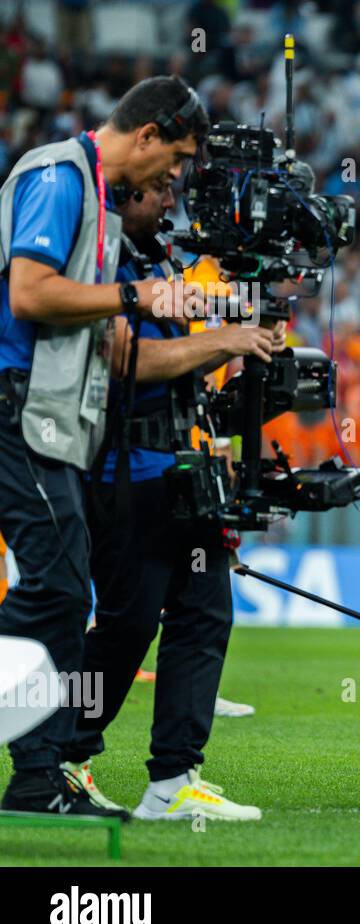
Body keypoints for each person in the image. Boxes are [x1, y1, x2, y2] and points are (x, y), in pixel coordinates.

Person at [0, 75, 208, 818]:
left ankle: (34, 780)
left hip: (48, 410)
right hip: (15, 399)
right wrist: (136, 296)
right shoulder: (60, 176)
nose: (176, 176)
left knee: (61, 591)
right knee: (57, 585)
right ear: (147, 134)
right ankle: (37, 771)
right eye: (176, 157)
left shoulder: (91, 192)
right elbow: (30, 292)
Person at [57, 182, 277, 821]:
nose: (169, 201)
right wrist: (225, 341)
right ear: (124, 192)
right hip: (122, 468)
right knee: (126, 624)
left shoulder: (161, 260)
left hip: (182, 465)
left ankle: (173, 780)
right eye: (159, 187)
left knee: (203, 614)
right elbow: (126, 358)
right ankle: (59, 758)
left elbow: (207, 338)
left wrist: (255, 305)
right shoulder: (101, 261)